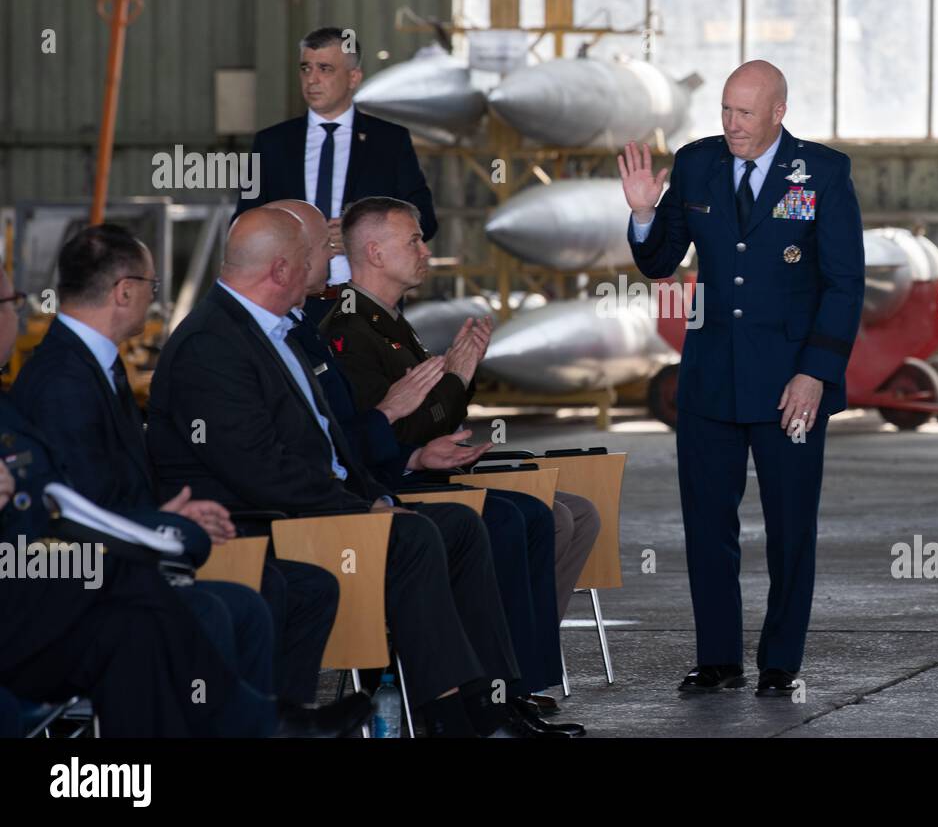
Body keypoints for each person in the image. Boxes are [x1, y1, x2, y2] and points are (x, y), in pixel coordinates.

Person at [145, 207, 538, 737]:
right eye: (316, 257)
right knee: (413, 536)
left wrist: (377, 493)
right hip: (261, 524)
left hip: (310, 508)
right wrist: (361, 508)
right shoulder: (213, 343)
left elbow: (335, 449)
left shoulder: (279, 332)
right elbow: (257, 469)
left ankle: (485, 702)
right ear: (282, 269)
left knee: (458, 526)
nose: (329, 270)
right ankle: (448, 718)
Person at [0, 266, 370, 737]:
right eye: (13, 303)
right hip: (33, 585)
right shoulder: (63, 378)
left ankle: (266, 720)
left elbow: (62, 503)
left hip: (47, 576)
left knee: (173, 607)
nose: (18, 314)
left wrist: (157, 524)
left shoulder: (13, 404)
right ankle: (264, 721)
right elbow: (64, 511)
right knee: (150, 597)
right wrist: (156, 529)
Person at [621, 60, 865, 696]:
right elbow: (660, 261)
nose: (731, 125)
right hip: (709, 381)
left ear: (778, 113)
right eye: (726, 110)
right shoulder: (698, 162)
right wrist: (646, 214)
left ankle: (780, 661)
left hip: (790, 385)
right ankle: (719, 658)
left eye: (746, 113)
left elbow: (844, 284)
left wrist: (815, 373)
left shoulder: (824, 172)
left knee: (790, 528)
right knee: (706, 525)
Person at [320, 197, 597, 724]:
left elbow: (426, 421)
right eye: (414, 240)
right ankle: (495, 691)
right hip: (388, 483)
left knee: (558, 513)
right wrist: (457, 379)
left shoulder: (389, 323)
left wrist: (452, 386)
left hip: (416, 468)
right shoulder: (350, 328)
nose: (426, 251)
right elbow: (391, 429)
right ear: (374, 252)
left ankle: (518, 682)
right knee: (517, 518)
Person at [235, 26, 437, 325]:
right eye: (305, 68)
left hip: (369, 304)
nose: (312, 79)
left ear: (353, 77)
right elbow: (243, 221)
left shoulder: (390, 142)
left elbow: (426, 222)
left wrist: (359, 236)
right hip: (289, 304)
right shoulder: (271, 143)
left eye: (325, 69)